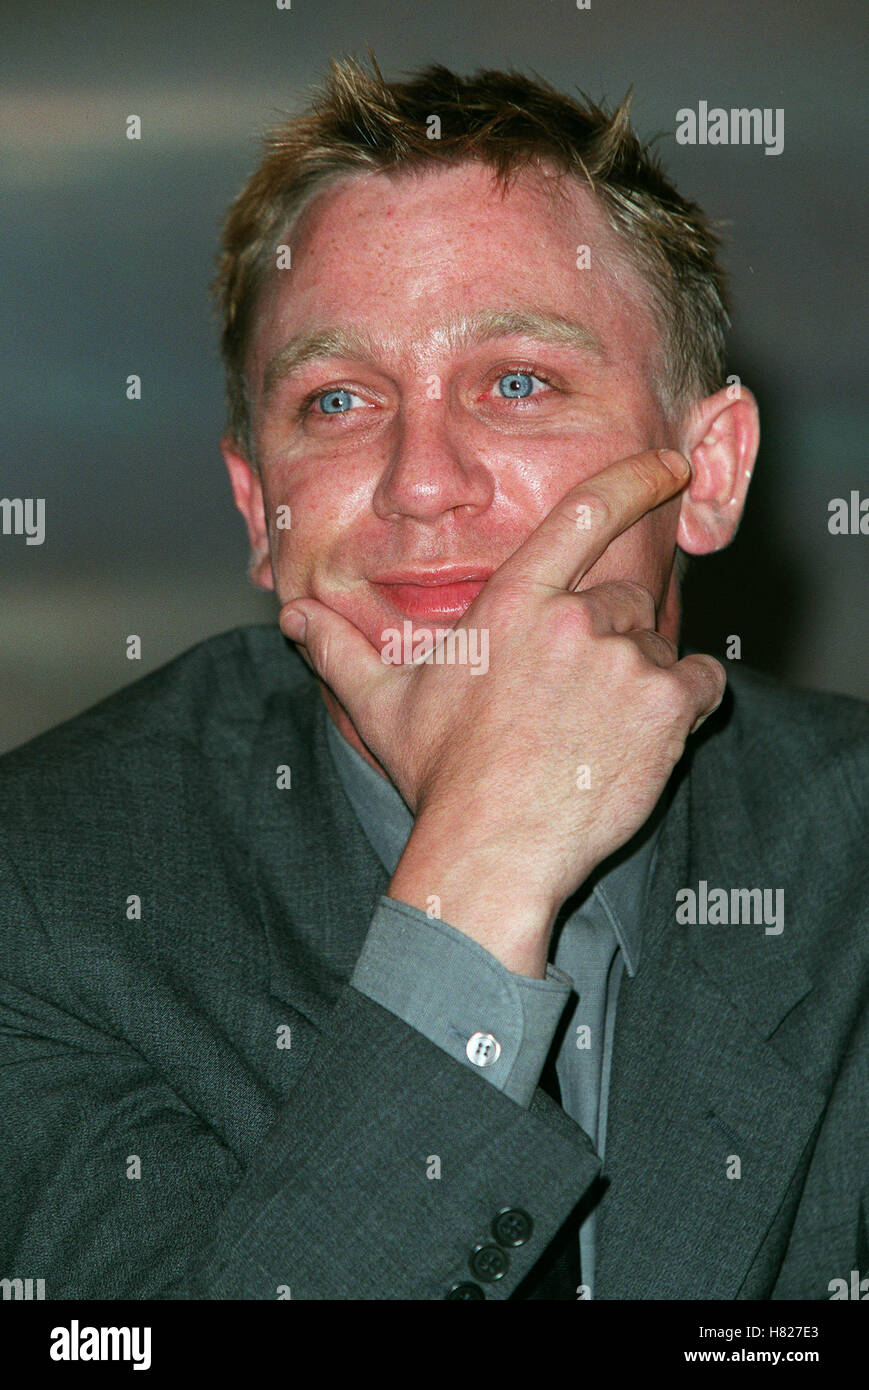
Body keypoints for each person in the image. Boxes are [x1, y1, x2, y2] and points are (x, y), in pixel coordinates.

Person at [0, 54, 866, 1302]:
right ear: (260, 511)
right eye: (338, 400)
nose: (419, 481)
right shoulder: (44, 890)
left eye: (516, 384)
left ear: (709, 472)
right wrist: (480, 879)